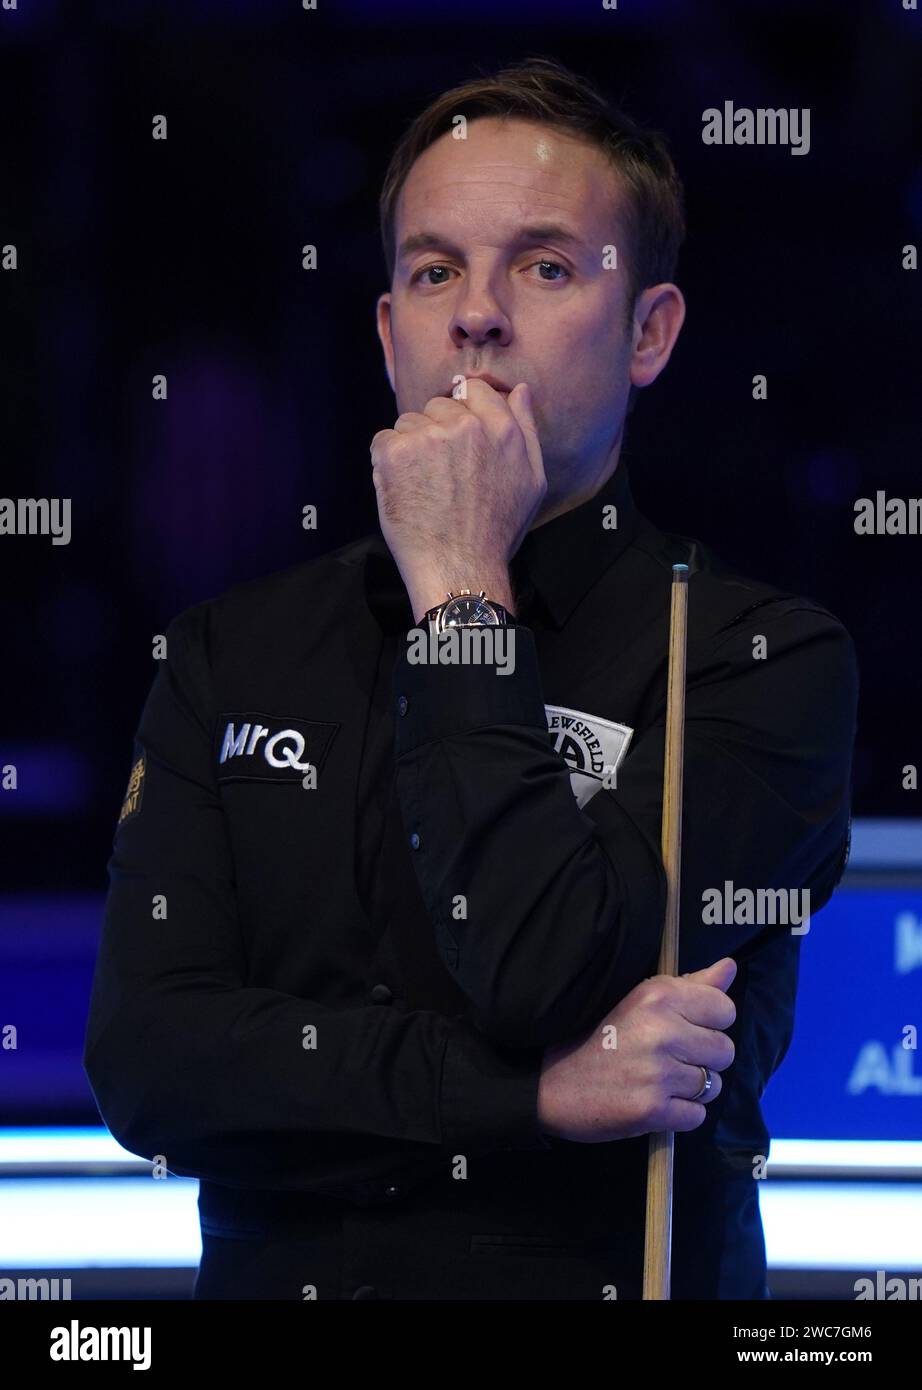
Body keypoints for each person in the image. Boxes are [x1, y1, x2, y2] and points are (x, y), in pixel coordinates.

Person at [83, 57, 858, 1301]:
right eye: (433, 270)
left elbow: (546, 964)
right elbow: (153, 1062)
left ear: (648, 332)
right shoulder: (230, 651)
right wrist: (532, 1094)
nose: (477, 315)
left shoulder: (758, 656)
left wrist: (457, 578)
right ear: (388, 329)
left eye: (545, 267)